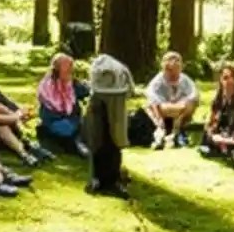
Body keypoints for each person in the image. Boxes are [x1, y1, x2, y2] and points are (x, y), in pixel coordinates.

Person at [84, 54, 135, 199]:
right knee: (98, 139)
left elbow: (130, 88)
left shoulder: (119, 70)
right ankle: (97, 178)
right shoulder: (100, 73)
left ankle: (113, 179)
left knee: (115, 139)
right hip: (100, 100)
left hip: (117, 96)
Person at [36, 53, 92, 157]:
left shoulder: (72, 84)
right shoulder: (46, 86)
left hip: (73, 121)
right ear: (57, 69)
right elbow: (48, 114)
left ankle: (78, 144)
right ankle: (77, 145)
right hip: (54, 121)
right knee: (66, 128)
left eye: (71, 67)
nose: (70, 70)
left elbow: (86, 91)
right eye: (67, 67)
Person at [144, 51, 201, 150]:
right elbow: (152, 97)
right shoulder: (158, 80)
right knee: (149, 106)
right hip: (163, 110)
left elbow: (194, 95)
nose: (173, 73)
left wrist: (182, 105)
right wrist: (160, 116)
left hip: (180, 111)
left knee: (192, 104)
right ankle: (160, 133)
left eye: (176, 68)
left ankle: (176, 133)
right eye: (170, 69)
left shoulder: (185, 80)